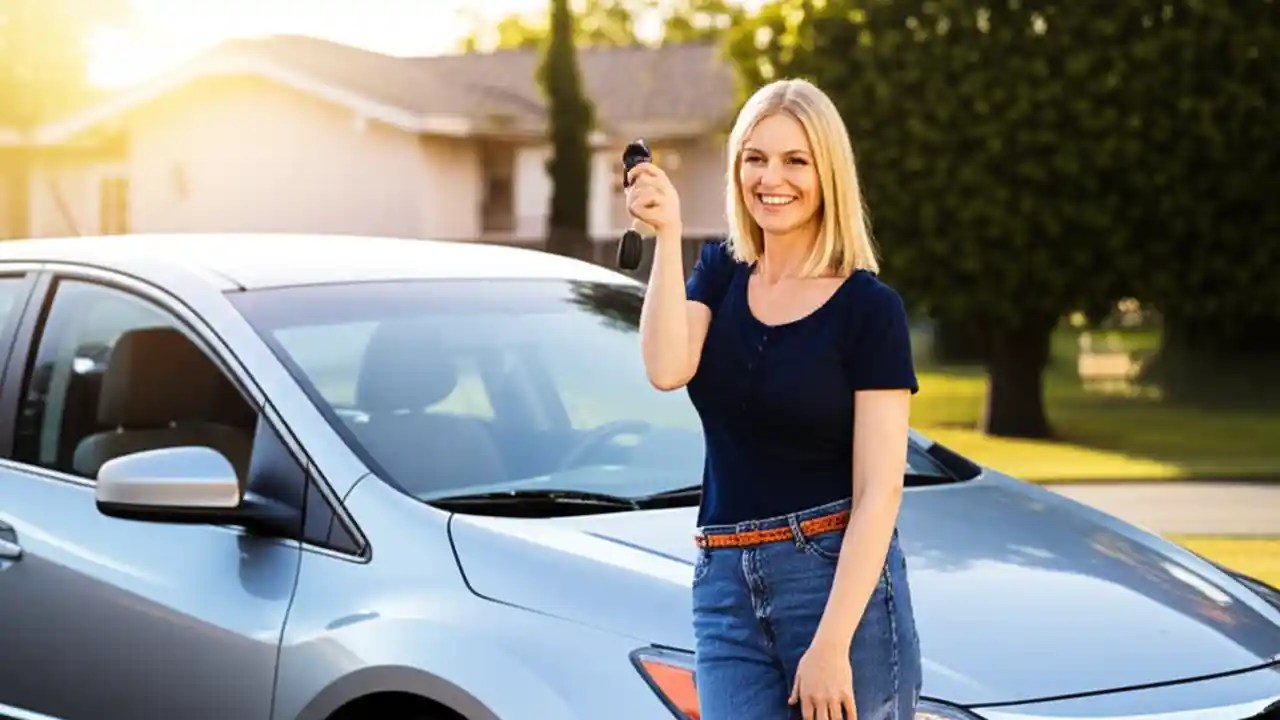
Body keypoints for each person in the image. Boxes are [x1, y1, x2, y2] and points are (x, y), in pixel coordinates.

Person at [629, 77, 923, 720]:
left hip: (833, 583)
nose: (772, 178)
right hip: (724, 585)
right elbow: (665, 366)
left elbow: (881, 490)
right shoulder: (720, 273)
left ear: (828, 174)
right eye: (755, 158)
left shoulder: (869, 310)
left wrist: (830, 644)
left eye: (796, 160)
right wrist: (667, 235)